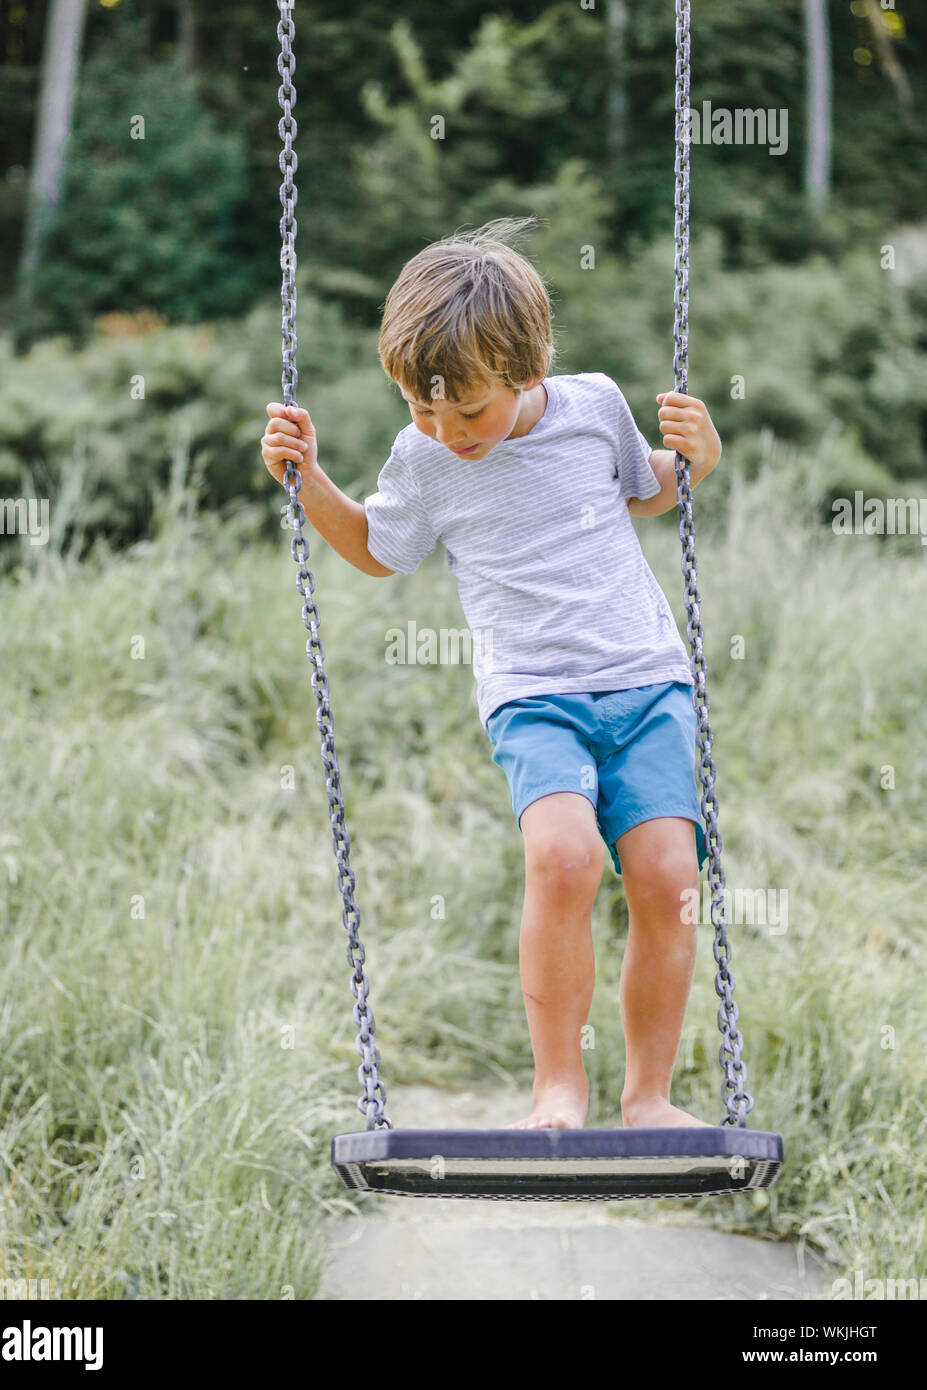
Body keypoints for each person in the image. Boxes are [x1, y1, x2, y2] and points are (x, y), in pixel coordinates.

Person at [261, 218, 723, 1130]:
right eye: (420, 406)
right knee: (562, 859)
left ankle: (648, 1098)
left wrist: (697, 460)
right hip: (532, 696)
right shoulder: (424, 458)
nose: (444, 429)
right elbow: (378, 550)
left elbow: (648, 487)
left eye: (466, 410)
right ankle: (557, 1087)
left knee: (669, 878)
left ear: (530, 367)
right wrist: (309, 480)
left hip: (646, 680)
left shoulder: (592, 406)